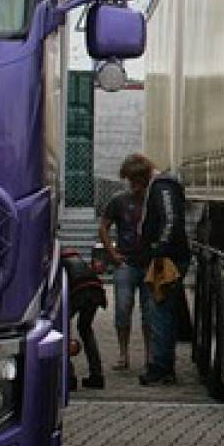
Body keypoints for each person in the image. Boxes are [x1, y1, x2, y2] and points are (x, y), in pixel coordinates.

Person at [134, 161, 191, 385]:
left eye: (133, 182)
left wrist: (159, 249)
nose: (133, 188)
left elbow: (170, 220)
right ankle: (163, 364)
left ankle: (162, 366)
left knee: (159, 310)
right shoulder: (163, 186)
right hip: (166, 257)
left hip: (165, 260)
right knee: (163, 309)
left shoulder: (162, 187)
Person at [98, 154, 152, 372]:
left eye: (140, 181)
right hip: (126, 263)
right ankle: (123, 353)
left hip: (148, 264)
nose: (136, 186)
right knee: (122, 308)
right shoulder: (119, 200)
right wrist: (113, 253)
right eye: (133, 181)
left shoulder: (153, 200)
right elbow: (104, 226)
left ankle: (150, 355)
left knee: (150, 312)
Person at [61, 246, 107, 389]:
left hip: (78, 292)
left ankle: (68, 377)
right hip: (95, 291)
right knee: (86, 329)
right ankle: (96, 375)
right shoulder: (81, 262)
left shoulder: (60, 263)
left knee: (63, 330)